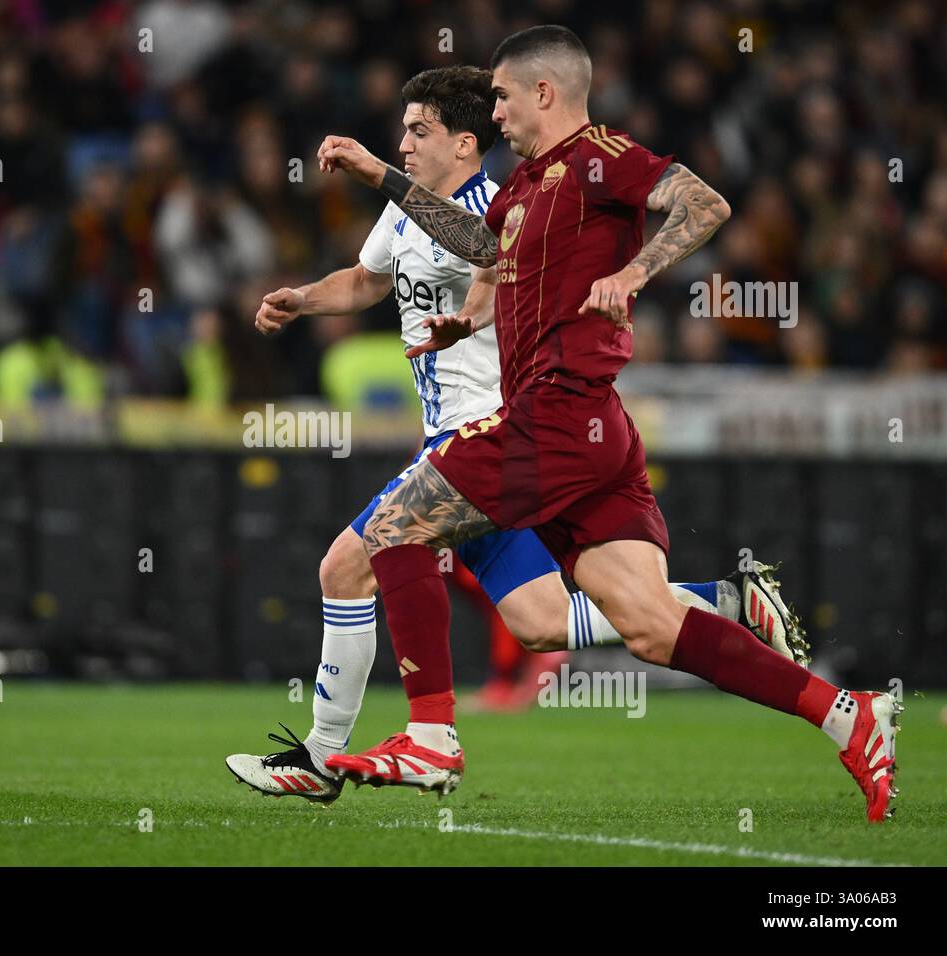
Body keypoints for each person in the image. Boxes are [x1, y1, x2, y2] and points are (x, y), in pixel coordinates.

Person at [315, 25, 899, 823]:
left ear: (543, 93)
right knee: (653, 627)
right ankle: (848, 715)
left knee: (392, 531)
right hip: (595, 431)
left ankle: (431, 736)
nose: (495, 112)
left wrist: (634, 270)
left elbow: (704, 202)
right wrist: (402, 207)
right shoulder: (525, 186)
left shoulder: (601, 158)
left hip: (556, 415)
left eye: (503, 98)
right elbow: (482, 247)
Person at [225, 66, 807, 805]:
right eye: (402, 131)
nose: (403, 143)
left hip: (494, 439)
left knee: (348, 565)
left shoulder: (498, 211)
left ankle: (343, 751)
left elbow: (498, 265)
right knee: (540, 623)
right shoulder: (408, 214)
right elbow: (369, 282)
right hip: (457, 440)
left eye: (418, 131)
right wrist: (301, 300)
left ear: (463, 143)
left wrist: (480, 297)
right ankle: (724, 600)